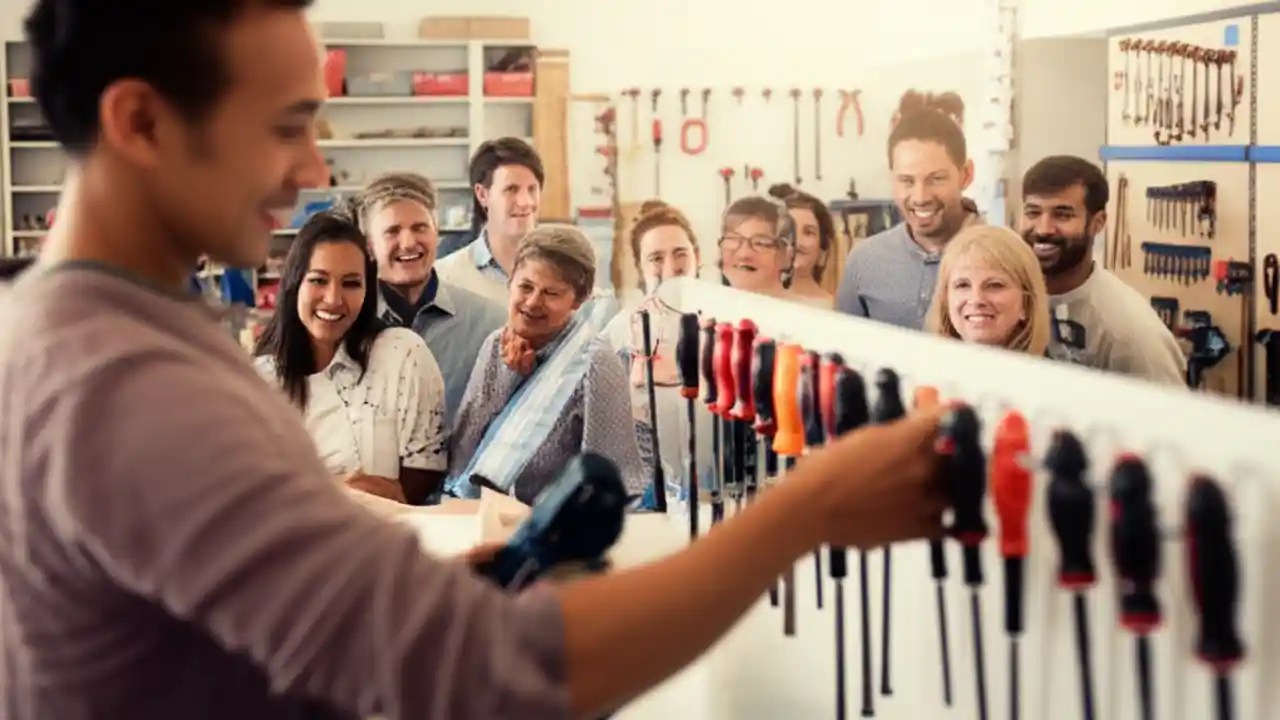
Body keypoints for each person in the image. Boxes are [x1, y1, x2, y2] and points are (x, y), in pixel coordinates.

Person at [0, 2, 947, 718]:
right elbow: (494, 675)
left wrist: (424, 589)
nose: (312, 167)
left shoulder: (72, 331)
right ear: (141, 122)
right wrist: (806, 514)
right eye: (286, 123)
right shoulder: (132, 388)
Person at [253, 211, 448, 504]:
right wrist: (339, 489)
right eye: (319, 280)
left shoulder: (402, 354)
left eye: (351, 283)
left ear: (368, 290)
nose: (333, 299)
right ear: (295, 284)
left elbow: (422, 477)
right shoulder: (261, 378)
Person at [447, 224, 648, 505]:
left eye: (551, 293)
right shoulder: (496, 344)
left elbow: (612, 479)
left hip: (557, 529)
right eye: (525, 286)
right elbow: (464, 449)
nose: (532, 302)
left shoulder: (595, 362)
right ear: (510, 282)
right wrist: (509, 375)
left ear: (578, 300)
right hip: (480, 513)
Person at [348, 170, 505, 424]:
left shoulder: (490, 325)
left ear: (437, 233)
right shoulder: (345, 324)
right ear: (369, 246)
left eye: (420, 227)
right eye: (392, 231)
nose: (408, 243)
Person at [1019, 156, 1185, 385]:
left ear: (1097, 223)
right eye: (1033, 212)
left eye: (1063, 214)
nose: (1043, 229)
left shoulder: (1131, 331)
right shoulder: (1003, 297)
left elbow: (1169, 415)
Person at [836, 107, 982, 329]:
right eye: (906, 181)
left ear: (966, 174)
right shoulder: (864, 261)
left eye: (936, 179)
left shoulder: (1007, 258)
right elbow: (842, 351)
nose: (920, 197)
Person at [602, 200, 708, 499]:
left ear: (697, 257)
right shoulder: (621, 331)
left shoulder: (720, 322)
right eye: (655, 258)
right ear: (640, 267)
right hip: (646, 489)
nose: (670, 267)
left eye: (680, 254)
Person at [434, 137, 543, 304]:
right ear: (482, 195)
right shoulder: (445, 278)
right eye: (511, 189)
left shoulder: (567, 272)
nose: (525, 202)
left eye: (532, 189)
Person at [926, 224, 1051, 355]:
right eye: (963, 285)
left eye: (994, 285)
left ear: (1026, 302)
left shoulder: (1055, 375)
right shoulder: (919, 372)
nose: (977, 299)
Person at [770, 183, 836, 308]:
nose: (797, 240)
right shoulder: (754, 300)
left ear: (823, 250)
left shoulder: (835, 310)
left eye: (808, 232)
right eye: (788, 230)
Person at [718, 195, 796, 299]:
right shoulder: (707, 307)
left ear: (787, 256)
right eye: (733, 240)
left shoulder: (801, 313)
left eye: (760, 243)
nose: (744, 254)